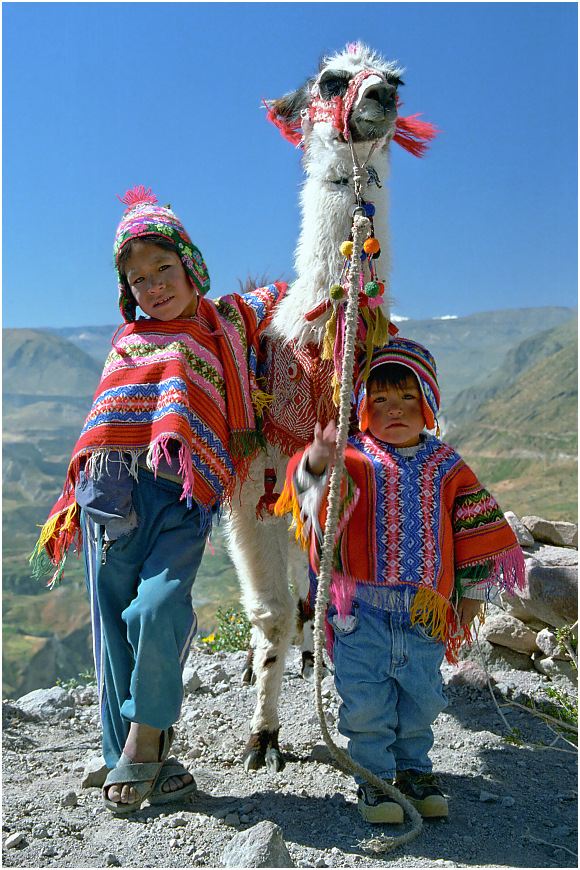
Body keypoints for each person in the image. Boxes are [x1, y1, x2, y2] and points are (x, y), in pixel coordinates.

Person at [31, 186, 284, 814]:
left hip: (182, 497)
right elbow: (105, 425)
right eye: (138, 278)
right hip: (114, 499)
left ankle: (142, 747)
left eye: (163, 269)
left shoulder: (225, 323)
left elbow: (290, 294)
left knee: (158, 608)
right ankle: (140, 755)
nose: (154, 286)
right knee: (114, 628)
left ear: (191, 265)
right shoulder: (129, 340)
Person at [275, 337, 525, 824]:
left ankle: (414, 770)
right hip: (362, 614)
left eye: (408, 398)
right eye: (381, 400)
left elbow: (475, 530)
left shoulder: (446, 466)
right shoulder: (354, 460)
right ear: (362, 409)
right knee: (366, 702)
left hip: (425, 616)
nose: (395, 410)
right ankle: (374, 780)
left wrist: (469, 600)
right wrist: (319, 461)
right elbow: (306, 499)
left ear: (428, 404)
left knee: (421, 699)